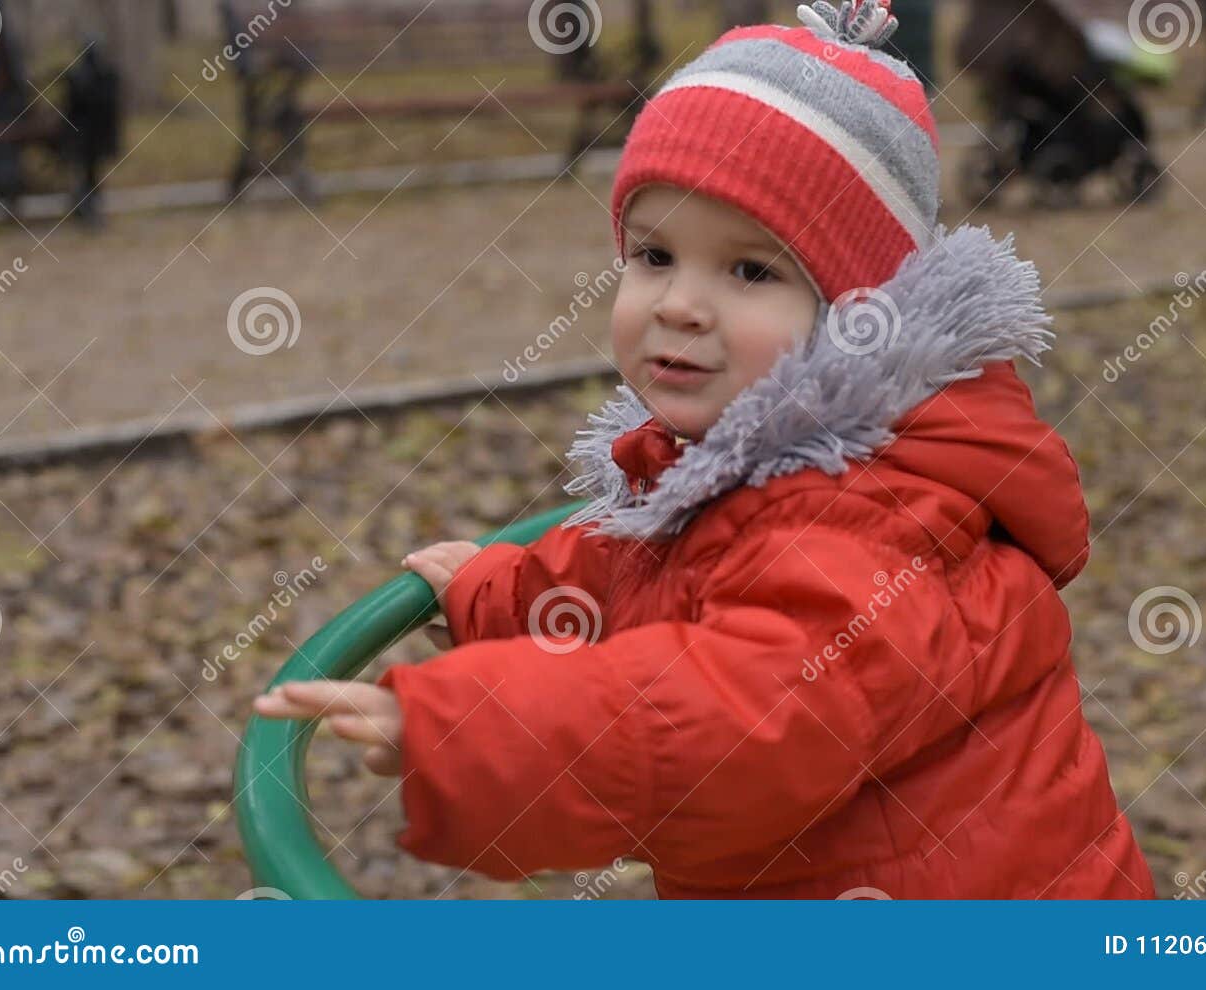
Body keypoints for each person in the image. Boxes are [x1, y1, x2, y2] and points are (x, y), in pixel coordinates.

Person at [255, 0, 1154, 899]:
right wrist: (495, 593)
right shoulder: (732, 459)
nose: (679, 304)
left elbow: (738, 725)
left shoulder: (872, 517)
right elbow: (644, 575)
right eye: (653, 256)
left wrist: (481, 735)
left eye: (751, 270)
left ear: (857, 313)